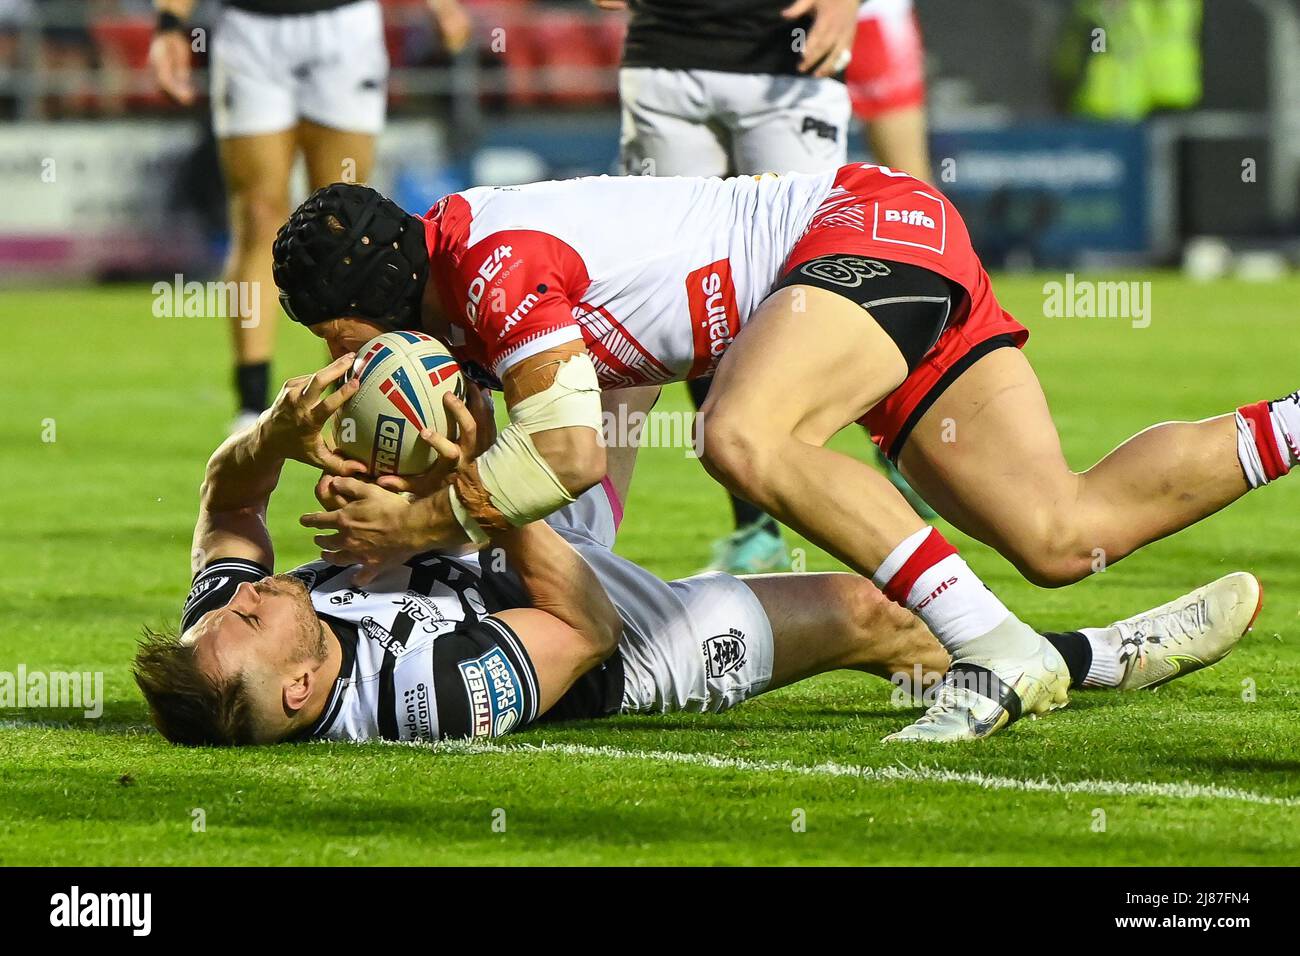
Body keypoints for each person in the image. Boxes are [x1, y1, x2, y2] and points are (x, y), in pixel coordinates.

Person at [268, 169, 1296, 742]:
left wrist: (427, 516)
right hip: (868, 257)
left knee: (742, 437)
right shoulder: (468, 294)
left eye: (333, 337)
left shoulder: (491, 268)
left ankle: (997, 651)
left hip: (853, 238)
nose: (338, 363)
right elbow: (559, 467)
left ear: (366, 308)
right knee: (1066, 534)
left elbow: (575, 452)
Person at [134, 357, 1261, 745]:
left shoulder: (240, 636)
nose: (242, 599)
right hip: (626, 639)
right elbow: (582, 626)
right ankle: (1106, 650)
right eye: (242, 623)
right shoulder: (424, 696)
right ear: (298, 683)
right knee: (875, 616)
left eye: (222, 607)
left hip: (501, 546)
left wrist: (274, 435)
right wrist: (474, 484)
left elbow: (226, 493)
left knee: (588, 355)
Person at [605, 0, 937, 573]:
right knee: (676, 293)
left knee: (821, 281)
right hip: (663, 56)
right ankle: (755, 526)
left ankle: (899, 449)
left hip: (789, 60)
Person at [147, 0, 468, 431]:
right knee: (257, 215)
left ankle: (351, 398)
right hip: (249, 27)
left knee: (348, 225)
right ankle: (253, 407)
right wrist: (170, 24)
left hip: (344, 23)